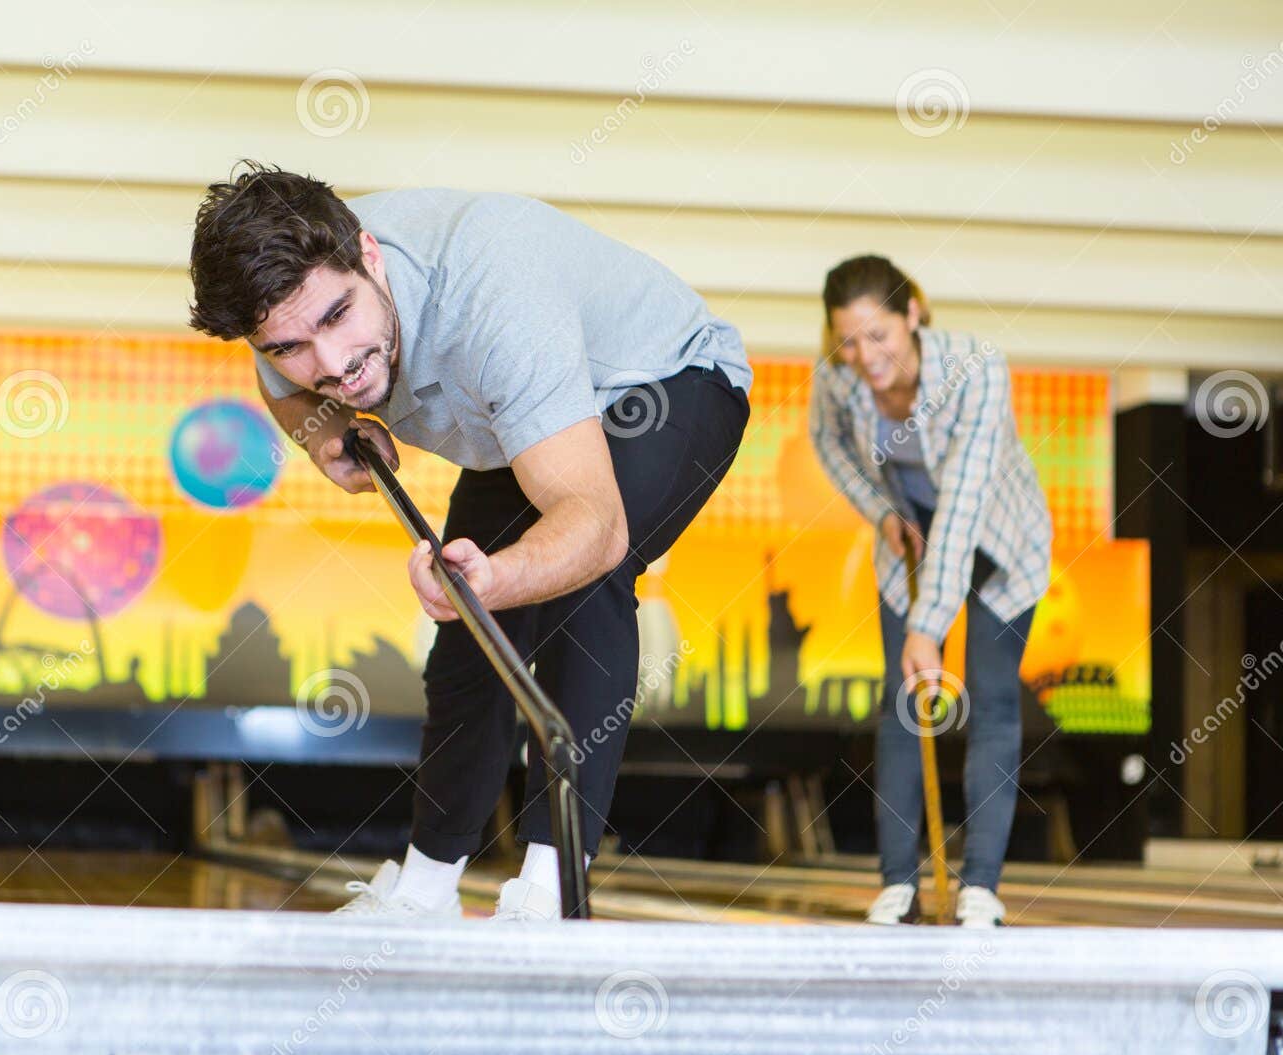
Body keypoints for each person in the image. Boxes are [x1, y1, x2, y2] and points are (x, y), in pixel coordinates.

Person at [189, 163, 751, 921]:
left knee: (581, 583)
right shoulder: (287, 293)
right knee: (466, 636)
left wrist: (503, 577)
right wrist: (325, 436)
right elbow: (285, 387)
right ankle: (424, 891)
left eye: (338, 319)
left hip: (666, 382)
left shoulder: (492, 303)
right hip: (514, 421)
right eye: (292, 345)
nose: (332, 365)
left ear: (370, 254)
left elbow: (595, 524)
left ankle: (551, 891)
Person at [808, 255, 1052, 929]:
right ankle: (896, 883)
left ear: (912, 313)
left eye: (879, 336)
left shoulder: (976, 369)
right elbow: (825, 443)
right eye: (849, 340)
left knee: (992, 698)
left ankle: (980, 887)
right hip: (910, 541)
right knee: (904, 701)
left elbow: (966, 505)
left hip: (1000, 543)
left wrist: (928, 624)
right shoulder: (834, 378)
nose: (866, 356)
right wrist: (880, 511)